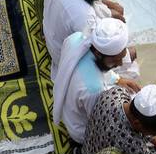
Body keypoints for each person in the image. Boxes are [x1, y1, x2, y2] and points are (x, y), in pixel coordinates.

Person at [52, 16, 138, 146]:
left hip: (71, 107)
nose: (120, 63)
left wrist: (118, 79)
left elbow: (93, 68)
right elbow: (100, 120)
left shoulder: (76, 38)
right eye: (115, 60)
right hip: (81, 130)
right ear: (98, 53)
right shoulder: (95, 90)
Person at [81, 82, 156, 154]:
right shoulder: (133, 145)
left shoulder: (116, 91)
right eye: (151, 133)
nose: (152, 135)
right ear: (137, 123)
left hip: (89, 146)